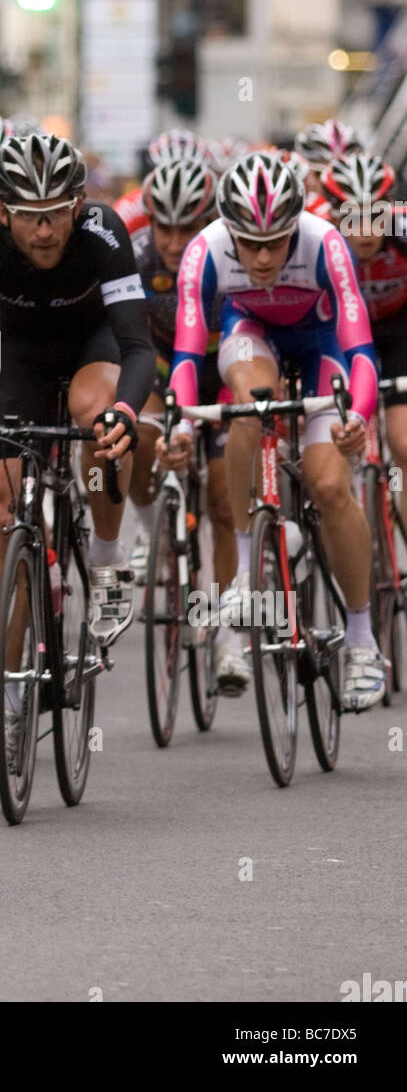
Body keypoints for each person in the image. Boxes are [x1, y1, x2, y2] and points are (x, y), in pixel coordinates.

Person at [0, 133, 155, 767]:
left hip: (91, 348)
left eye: (55, 214)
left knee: (97, 420)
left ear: (77, 205)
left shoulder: (103, 234)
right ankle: (6, 702)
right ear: (1, 212)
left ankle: (103, 556)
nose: (43, 231)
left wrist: (127, 412)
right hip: (13, 356)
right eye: (27, 216)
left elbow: (137, 347)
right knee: (0, 511)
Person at [168, 150, 385, 710]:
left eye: (276, 242)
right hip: (252, 336)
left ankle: (362, 640)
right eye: (250, 243)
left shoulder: (324, 241)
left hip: (322, 349)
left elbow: (361, 347)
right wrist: (182, 425)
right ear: (228, 230)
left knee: (331, 486)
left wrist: (357, 417)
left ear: (296, 226)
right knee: (251, 401)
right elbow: (188, 355)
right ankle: (244, 567)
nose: (262, 258)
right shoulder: (205, 249)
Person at [115, 143, 237, 659]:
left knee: (225, 503)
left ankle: (231, 634)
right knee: (138, 433)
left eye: (188, 229)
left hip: (224, 364)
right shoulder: (131, 242)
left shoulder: (232, 248)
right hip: (163, 360)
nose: (174, 242)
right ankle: (154, 532)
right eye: (164, 228)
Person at [320, 152, 407, 522]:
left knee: (403, 446)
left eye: (376, 216)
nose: (366, 230)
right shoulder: (319, 239)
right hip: (342, 337)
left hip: (400, 332)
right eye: (353, 219)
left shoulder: (403, 230)